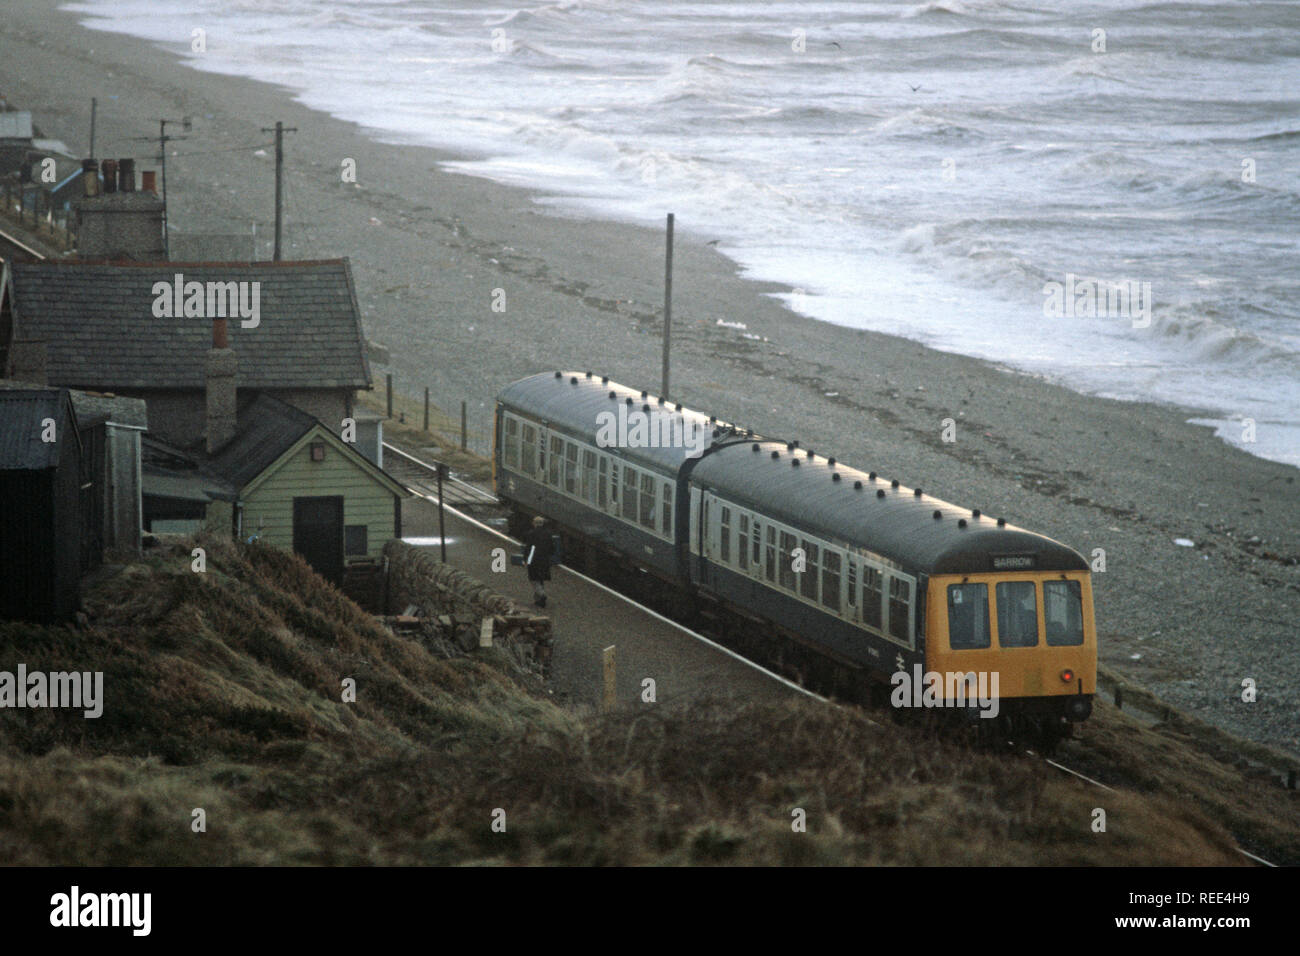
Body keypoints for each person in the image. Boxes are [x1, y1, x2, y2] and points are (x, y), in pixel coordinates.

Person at [521, 516, 555, 608]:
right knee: (541, 578)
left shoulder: (531, 534)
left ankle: (542, 594)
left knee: (533, 578)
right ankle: (538, 600)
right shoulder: (548, 534)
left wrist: (525, 559)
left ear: (534, 523)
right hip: (544, 559)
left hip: (533, 558)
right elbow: (552, 548)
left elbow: (528, 548)